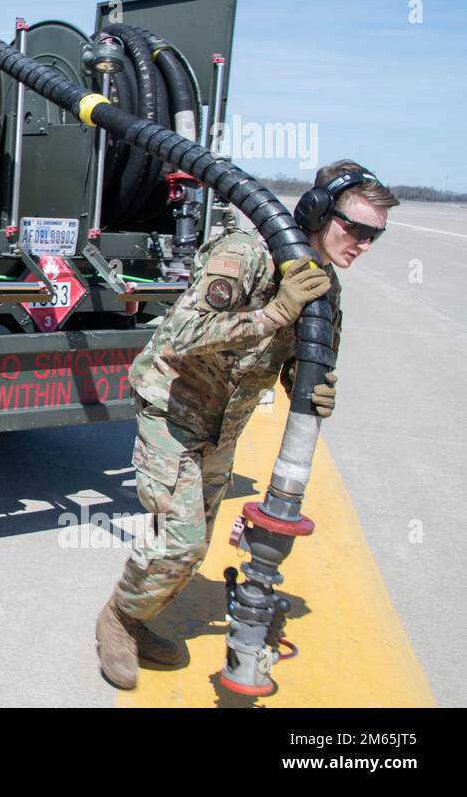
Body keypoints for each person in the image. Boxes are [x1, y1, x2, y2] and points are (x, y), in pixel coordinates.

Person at [96, 160, 399, 689]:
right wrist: (273, 313)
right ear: (317, 211)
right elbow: (183, 332)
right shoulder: (246, 253)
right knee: (183, 542)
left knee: (191, 541)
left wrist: (313, 387)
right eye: (355, 228)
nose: (364, 244)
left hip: (221, 424)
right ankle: (119, 620)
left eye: (375, 235)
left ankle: (140, 614)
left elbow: (301, 365)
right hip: (172, 407)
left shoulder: (324, 286)